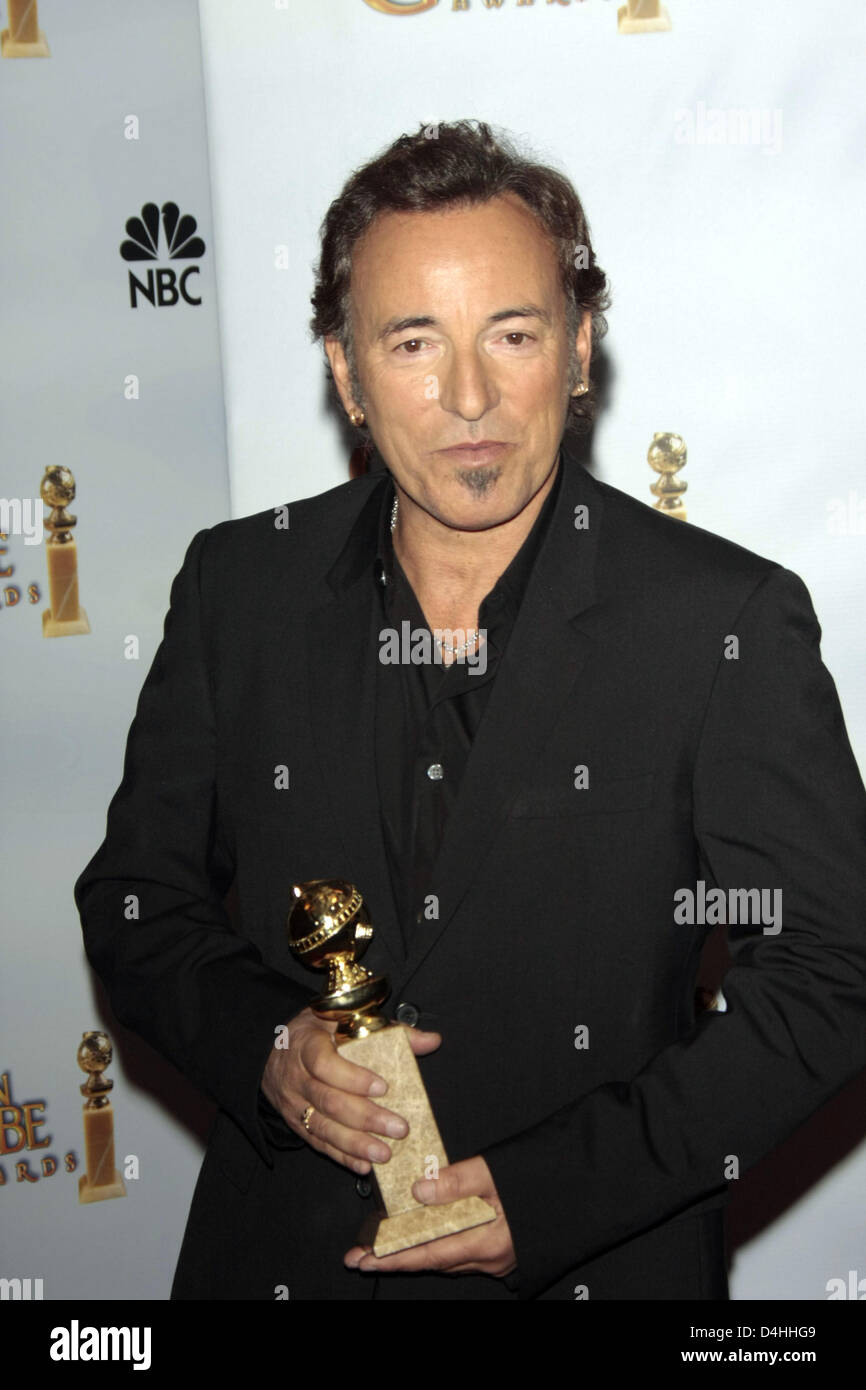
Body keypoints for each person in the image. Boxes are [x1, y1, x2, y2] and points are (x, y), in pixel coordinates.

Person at [74, 119, 866, 1301]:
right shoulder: (240, 588)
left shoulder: (719, 621)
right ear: (345, 372)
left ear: (579, 348)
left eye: (512, 333)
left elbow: (834, 968)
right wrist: (268, 1048)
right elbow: (137, 901)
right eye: (412, 342)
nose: (468, 396)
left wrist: (557, 1191)